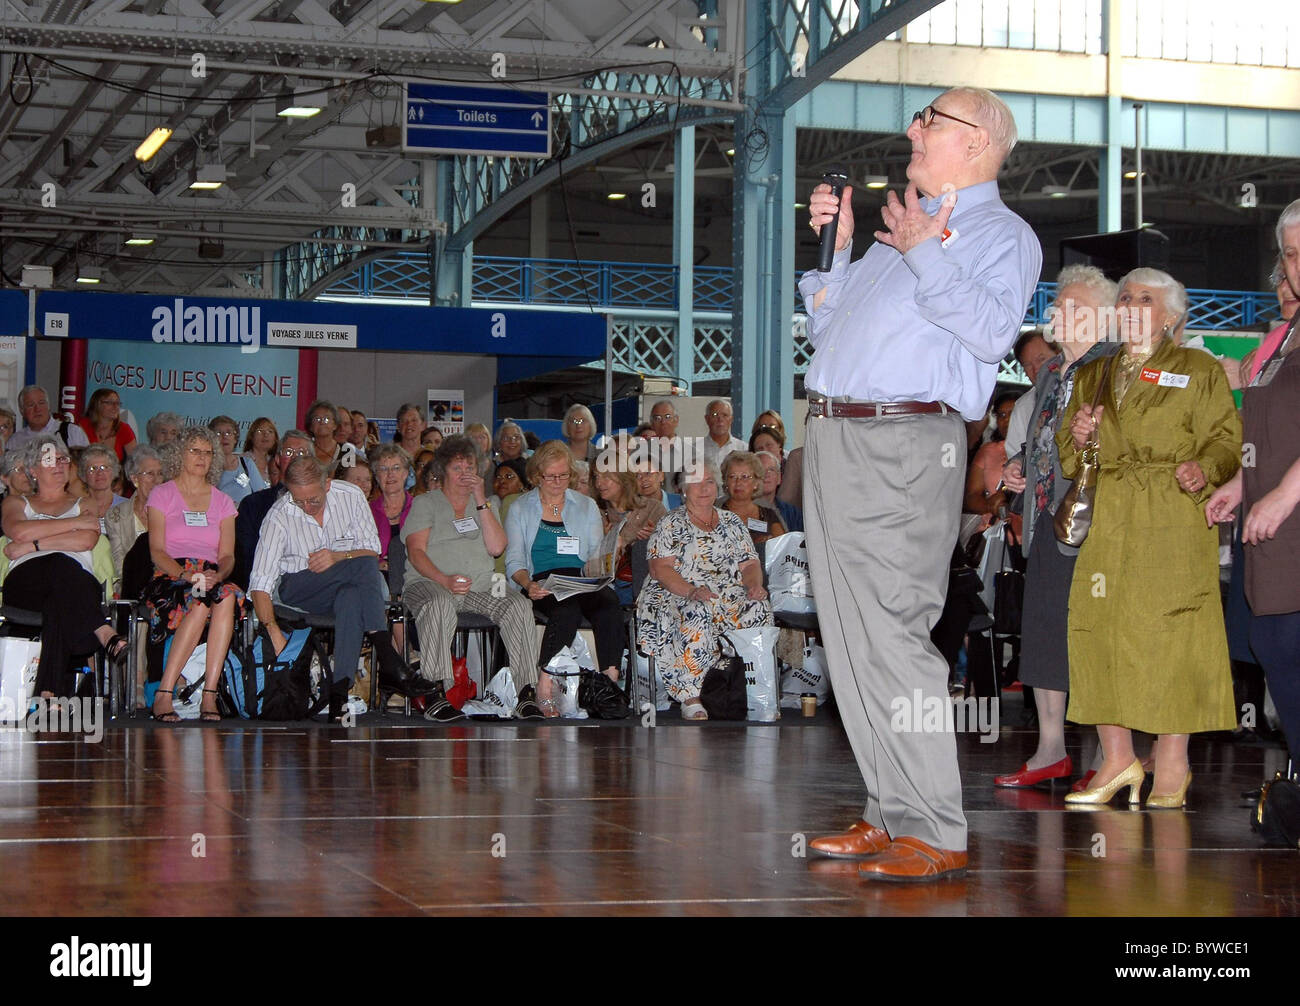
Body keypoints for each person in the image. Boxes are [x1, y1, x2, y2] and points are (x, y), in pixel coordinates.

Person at [799, 86, 1041, 880]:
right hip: (837, 432)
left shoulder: (1002, 233)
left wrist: (924, 251)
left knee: (896, 631)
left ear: (977, 142)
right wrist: (837, 254)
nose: (913, 127)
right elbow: (832, 334)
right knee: (851, 636)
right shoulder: (904, 224)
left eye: (930, 118)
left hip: (905, 441)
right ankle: (888, 809)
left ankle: (935, 825)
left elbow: (991, 329)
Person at [1059, 268, 1240, 808]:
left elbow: (1227, 440)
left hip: (1172, 516)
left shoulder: (1199, 369)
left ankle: (1172, 762)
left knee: (1171, 637)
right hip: (1109, 516)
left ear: (1171, 317)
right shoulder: (1093, 374)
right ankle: (1117, 759)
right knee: (1100, 630)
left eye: (1146, 297)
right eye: (1125, 296)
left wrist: (1203, 469)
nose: (1132, 303)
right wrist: (1079, 436)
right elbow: (1074, 462)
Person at [993, 265, 1119, 789]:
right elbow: (1038, 437)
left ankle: (1112, 754)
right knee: (1043, 631)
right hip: (1047, 519)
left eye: (1070, 307)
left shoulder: (1115, 365)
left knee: (1096, 635)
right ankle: (1050, 749)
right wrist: (1018, 463)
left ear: (1102, 317)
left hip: (1099, 523)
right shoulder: (1049, 375)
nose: (1056, 315)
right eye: (1057, 306)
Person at [1207, 199, 1300, 781]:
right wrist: (1242, 484)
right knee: (1274, 646)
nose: (1295, 265)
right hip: (1270, 532)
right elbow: (1269, 427)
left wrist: (1287, 492)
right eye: (1290, 254)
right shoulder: (1285, 336)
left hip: (1291, 518)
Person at [247, 456, 432, 718]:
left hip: (345, 584)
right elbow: (260, 582)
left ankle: (339, 692)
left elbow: (373, 548)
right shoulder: (279, 515)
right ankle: (389, 658)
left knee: (352, 595)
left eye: (313, 499)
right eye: (299, 501)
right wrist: (272, 629)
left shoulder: (351, 495)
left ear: (328, 485)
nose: (307, 507)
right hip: (299, 587)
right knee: (364, 566)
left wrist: (337, 556)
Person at [402, 435, 543, 720]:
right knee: (439, 603)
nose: (465, 474)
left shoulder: (484, 504)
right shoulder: (426, 503)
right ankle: (435, 691)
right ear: (442, 472)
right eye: (457, 468)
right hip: (428, 583)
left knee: (517, 604)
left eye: (470, 468)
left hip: (479, 585)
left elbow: (497, 547)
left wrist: (480, 501)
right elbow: (416, 552)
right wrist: (443, 579)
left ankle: (526, 692)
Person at [636, 462, 772, 720]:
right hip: (675, 592)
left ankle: (755, 693)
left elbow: (750, 562)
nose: (704, 488)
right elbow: (660, 570)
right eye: (696, 482)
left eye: (709, 481)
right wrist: (691, 591)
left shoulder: (732, 521)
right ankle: (692, 695)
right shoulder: (670, 523)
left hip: (727, 592)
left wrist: (754, 585)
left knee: (758, 607)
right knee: (697, 610)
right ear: (683, 489)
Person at [1, 435, 127, 698]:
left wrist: (32, 545)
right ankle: (103, 631)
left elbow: (87, 538)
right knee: (61, 562)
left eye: (63, 459)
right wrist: (73, 525)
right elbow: (17, 530)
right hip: (26, 584)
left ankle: (49, 693)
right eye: (50, 460)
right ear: (34, 470)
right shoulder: (17, 503)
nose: (58, 464)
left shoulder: (84, 503)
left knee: (58, 600)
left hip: (73, 585)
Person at [505, 440, 625, 708]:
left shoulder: (586, 505)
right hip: (542, 578)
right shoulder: (520, 508)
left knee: (609, 603)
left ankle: (608, 681)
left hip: (581, 577)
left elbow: (594, 555)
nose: (558, 481)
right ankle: (545, 681)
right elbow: (513, 560)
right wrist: (529, 584)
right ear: (537, 476)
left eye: (564, 475)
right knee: (566, 608)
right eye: (551, 476)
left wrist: (607, 559)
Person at [143, 426, 240, 723]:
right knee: (200, 598)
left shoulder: (223, 501)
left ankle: (209, 693)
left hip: (210, 575)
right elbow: (157, 551)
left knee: (226, 596)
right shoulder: (163, 494)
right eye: (195, 450)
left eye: (208, 452)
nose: (202, 457)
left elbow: (227, 556)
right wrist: (186, 574)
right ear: (180, 454)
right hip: (172, 575)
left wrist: (217, 575)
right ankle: (165, 692)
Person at [232, 430, 312, 590]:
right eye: (289, 452)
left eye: (302, 452)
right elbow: (246, 557)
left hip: (312, 581)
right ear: (277, 459)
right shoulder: (252, 504)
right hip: (265, 582)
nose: (295, 457)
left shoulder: (326, 502)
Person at [588, 464, 666, 605]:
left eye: (606, 477)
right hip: (606, 587)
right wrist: (605, 541)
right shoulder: (593, 511)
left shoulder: (653, 508)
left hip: (648, 586)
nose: (599, 483)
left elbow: (669, 549)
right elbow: (592, 565)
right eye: (596, 477)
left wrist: (654, 537)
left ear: (623, 478)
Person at [106, 445, 165, 598]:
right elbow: (120, 564)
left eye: (160, 473)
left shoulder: (173, 512)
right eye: (150, 474)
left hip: (166, 581)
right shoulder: (116, 515)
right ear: (134, 479)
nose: (157, 480)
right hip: (133, 585)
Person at [720, 451, 786, 549]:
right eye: (732, 477)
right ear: (726, 482)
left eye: (745, 477)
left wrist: (769, 544)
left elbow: (784, 548)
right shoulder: (715, 513)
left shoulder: (768, 515)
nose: (738, 482)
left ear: (756, 483)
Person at [367, 443, 412, 570]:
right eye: (383, 469)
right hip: (379, 574)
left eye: (396, 468)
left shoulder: (420, 507)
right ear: (376, 476)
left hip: (415, 574)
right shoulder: (367, 511)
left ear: (405, 473)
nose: (390, 474)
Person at [7, 385, 90, 453]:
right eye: (31, 405)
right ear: (22, 411)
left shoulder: (71, 432)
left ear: (49, 406)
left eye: (41, 403)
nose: (37, 409)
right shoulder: (15, 441)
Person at [210, 415, 264, 505]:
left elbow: (261, 495)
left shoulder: (246, 463)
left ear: (235, 439)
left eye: (228, 433)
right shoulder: (207, 465)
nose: (224, 437)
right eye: (218, 433)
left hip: (245, 515)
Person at [78, 444, 126, 534]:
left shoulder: (128, 506)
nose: (99, 473)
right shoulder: (76, 508)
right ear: (83, 475)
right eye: (93, 468)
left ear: (114, 472)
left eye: (104, 467)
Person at [78, 388, 137, 462]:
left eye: (118, 403)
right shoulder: (83, 426)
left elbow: (135, 461)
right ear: (97, 405)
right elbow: (76, 458)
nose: (115, 407)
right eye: (110, 403)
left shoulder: (124, 429)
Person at [754, 449, 801, 533]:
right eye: (760, 470)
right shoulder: (741, 508)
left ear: (779, 477)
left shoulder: (793, 513)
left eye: (771, 470)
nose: (766, 474)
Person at [701, 400, 745, 472]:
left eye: (725, 415)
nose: (720, 419)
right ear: (707, 419)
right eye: (715, 415)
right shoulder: (694, 450)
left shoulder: (743, 449)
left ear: (731, 419)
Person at [304, 400, 343, 473]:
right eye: (317, 419)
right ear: (310, 426)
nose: (322, 422)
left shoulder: (346, 451)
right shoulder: (304, 451)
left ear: (335, 425)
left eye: (326, 419)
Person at [241, 418, 279, 488]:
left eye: (270, 431)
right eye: (260, 431)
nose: (265, 435)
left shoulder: (277, 463)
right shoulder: (241, 461)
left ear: (275, 439)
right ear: (251, 437)